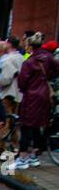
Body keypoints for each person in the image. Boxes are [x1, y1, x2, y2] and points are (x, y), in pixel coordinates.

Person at [16, 35, 59, 170]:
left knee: (26, 126)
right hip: (45, 95)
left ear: (30, 46)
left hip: (31, 97)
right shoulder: (49, 58)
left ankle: (23, 157)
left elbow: (22, 83)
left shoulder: (29, 62)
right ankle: (35, 155)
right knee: (37, 126)